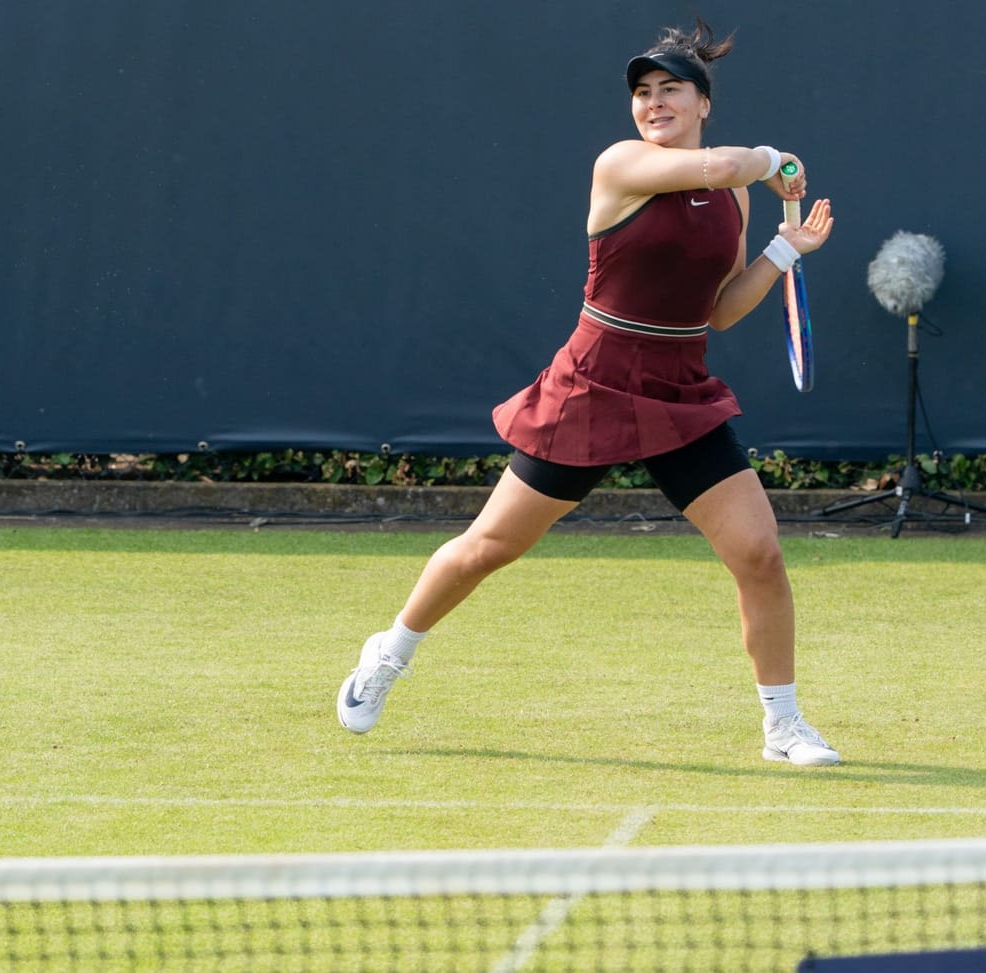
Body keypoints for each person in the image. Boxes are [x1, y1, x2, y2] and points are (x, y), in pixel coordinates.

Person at [336, 19, 840, 766]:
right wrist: (776, 161)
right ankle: (389, 652)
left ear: (703, 102)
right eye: (643, 92)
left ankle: (784, 725)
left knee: (759, 554)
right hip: (593, 384)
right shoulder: (622, 164)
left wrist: (779, 250)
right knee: (488, 548)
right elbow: (737, 162)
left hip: (680, 388)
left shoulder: (731, 200)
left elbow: (720, 309)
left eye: (672, 90)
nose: (654, 103)